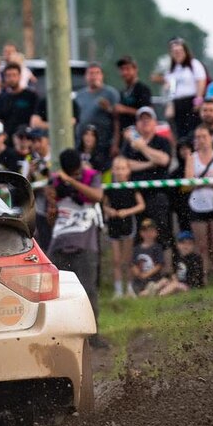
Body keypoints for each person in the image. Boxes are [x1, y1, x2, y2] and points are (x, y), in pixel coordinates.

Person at [46, 148, 104, 332]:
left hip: (85, 242)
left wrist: (71, 181)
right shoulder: (55, 181)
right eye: (72, 173)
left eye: (77, 172)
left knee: (88, 290)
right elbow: (50, 219)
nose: (75, 175)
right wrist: (52, 208)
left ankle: (93, 335)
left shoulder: (92, 176)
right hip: (59, 242)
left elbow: (97, 196)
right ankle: (61, 332)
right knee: (56, 291)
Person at [120, 107, 173, 247]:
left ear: (155, 122)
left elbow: (164, 160)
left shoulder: (162, 141)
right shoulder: (128, 144)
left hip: (158, 194)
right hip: (136, 195)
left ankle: (165, 259)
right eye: (141, 119)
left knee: (163, 232)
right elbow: (124, 164)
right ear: (137, 124)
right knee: (137, 235)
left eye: (148, 119)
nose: (145, 122)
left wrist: (142, 147)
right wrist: (150, 163)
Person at [103, 158, 146, 298]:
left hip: (128, 224)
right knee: (116, 259)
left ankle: (129, 288)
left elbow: (141, 205)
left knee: (127, 259)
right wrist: (109, 211)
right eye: (117, 168)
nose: (120, 172)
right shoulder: (109, 187)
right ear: (113, 170)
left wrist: (127, 212)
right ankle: (118, 290)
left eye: (123, 168)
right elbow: (104, 205)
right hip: (113, 224)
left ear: (128, 170)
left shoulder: (132, 186)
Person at [185, 123, 213, 281]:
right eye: (198, 137)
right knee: (202, 245)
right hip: (197, 205)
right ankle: (202, 277)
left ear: (211, 138)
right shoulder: (192, 157)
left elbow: (195, 181)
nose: (201, 140)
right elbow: (188, 184)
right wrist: (209, 181)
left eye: (204, 136)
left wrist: (200, 181)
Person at [160, 38, 208, 138]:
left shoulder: (194, 64)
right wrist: (170, 104)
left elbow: (200, 81)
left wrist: (198, 99)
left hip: (191, 102)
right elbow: (171, 89)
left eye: (179, 51)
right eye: (175, 52)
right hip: (177, 104)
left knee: (192, 131)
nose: (177, 54)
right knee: (180, 132)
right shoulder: (171, 70)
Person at [74, 64, 120, 159]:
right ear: (86, 76)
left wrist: (115, 144)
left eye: (97, 73)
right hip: (83, 143)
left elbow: (118, 119)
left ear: (102, 76)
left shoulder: (110, 93)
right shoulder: (79, 95)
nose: (94, 76)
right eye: (91, 73)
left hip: (104, 143)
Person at [130, 219, 166, 296]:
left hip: (153, 279)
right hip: (139, 281)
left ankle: (145, 293)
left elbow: (159, 265)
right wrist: (138, 274)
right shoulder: (136, 249)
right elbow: (133, 264)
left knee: (164, 281)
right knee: (133, 286)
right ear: (141, 233)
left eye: (151, 231)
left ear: (156, 233)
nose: (148, 234)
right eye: (145, 231)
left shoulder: (157, 247)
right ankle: (143, 293)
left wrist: (147, 274)